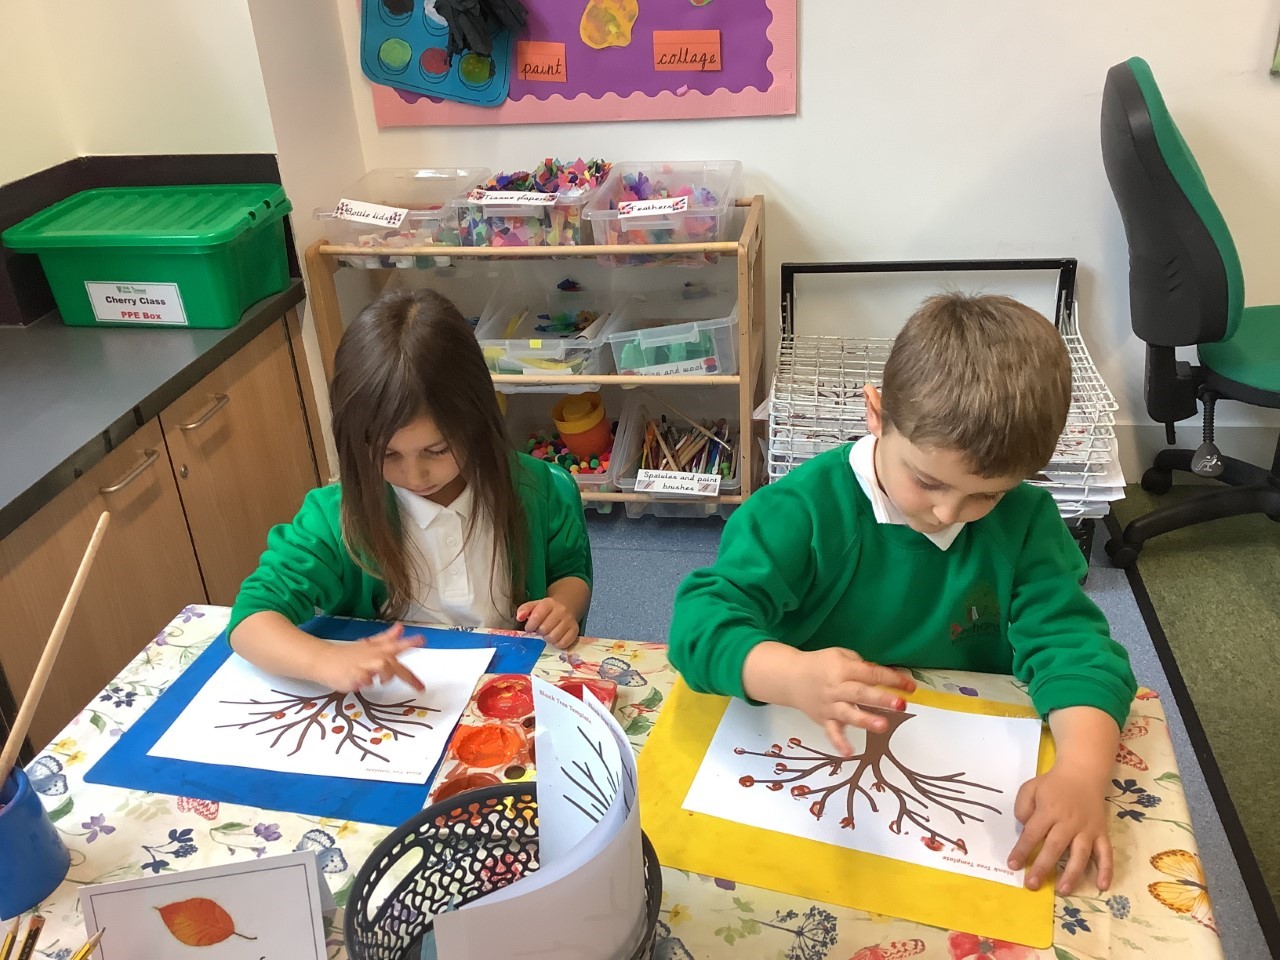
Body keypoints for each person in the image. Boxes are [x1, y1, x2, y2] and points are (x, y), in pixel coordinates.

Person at [669, 293, 1135, 897]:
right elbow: (699, 624)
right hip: (798, 767)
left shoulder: (1026, 521)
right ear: (877, 412)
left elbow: (1073, 645)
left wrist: (1081, 772)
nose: (948, 513)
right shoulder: (799, 513)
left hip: (967, 768)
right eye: (928, 481)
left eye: (985, 495)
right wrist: (789, 675)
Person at [229, 288, 592, 693]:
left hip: (507, 683)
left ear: (476, 421)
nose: (415, 475)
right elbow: (250, 619)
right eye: (387, 455)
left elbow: (570, 574)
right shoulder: (336, 519)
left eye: (435, 450)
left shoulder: (539, 491)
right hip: (393, 698)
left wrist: (562, 607)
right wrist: (324, 659)